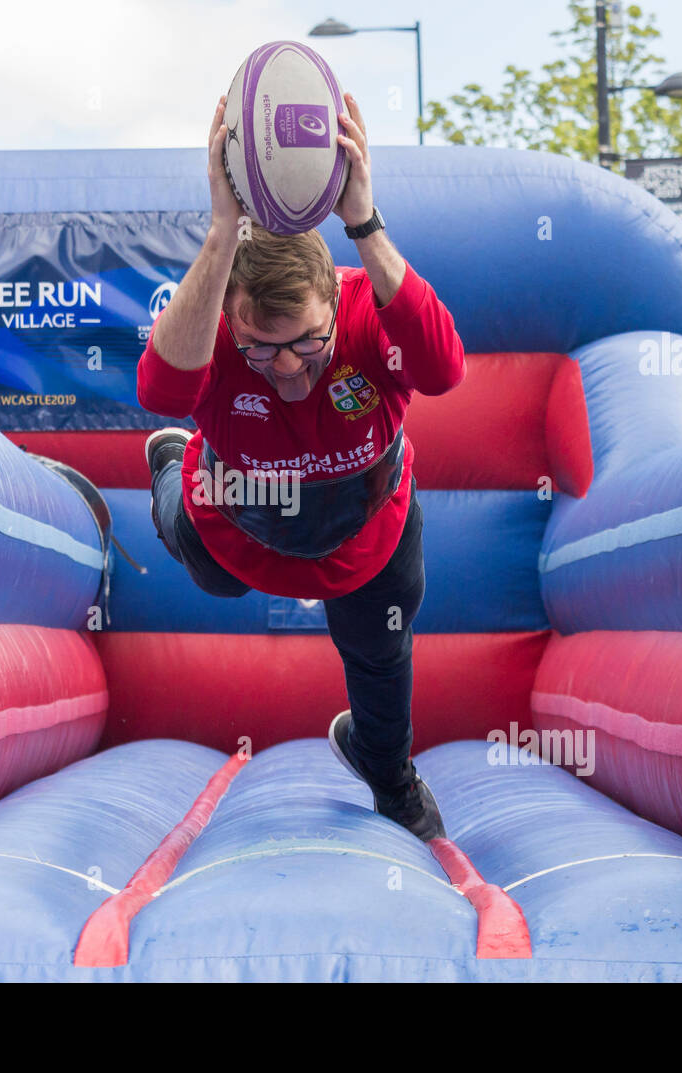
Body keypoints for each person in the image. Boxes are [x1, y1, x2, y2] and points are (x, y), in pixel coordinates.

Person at [136, 91, 465, 840]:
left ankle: (389, 776)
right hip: (235, 524)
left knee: (382, 655)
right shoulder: (214, 336)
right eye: (260, 346)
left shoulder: (366, 311)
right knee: (207, 568)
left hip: (364, 534)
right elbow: (157, 389)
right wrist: (222, 232)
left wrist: (365, 221)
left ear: (334, 299)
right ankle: (169, 470)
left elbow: (444, 370)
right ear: (232, 320)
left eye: (307, 342)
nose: (286, 369)